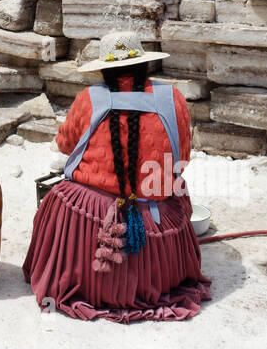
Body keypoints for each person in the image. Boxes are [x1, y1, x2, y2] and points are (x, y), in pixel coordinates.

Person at [23, 31, 211, 322]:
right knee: (177, 189)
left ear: (103, 69)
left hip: (93, 217)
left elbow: (64, 144)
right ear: (144, 65)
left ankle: (87, 278)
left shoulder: (88, 99)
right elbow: (181, 159)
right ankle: (152, 275)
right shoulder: (172, 98)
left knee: (58, 198)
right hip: (154, 213)